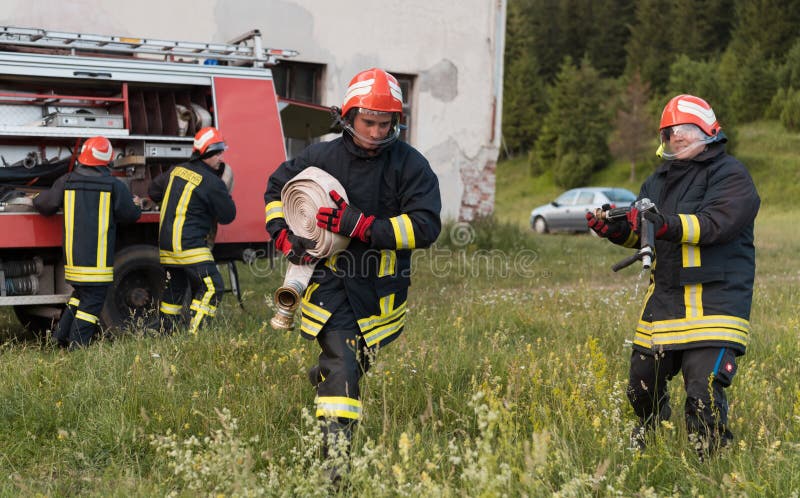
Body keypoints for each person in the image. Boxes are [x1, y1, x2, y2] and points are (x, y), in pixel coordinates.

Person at [264, 68, 442, 470]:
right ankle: (334, 474)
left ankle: (325, 374)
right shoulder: (320, 156)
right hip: (329, 285)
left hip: (380, 291)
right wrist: (281, 233)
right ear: (347, 116)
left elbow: (426, 227)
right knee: (345, 371)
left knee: (355, 360)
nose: (378, 132)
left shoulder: (411, 166)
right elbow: (276, 188)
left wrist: (360, 225)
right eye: (369, 122)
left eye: (387, 123)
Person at [586, 94, 760, 458]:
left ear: (707, 131)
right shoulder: (655, 182)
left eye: (685, 130)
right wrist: (616, 229)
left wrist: (664, 223)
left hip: (716, 304)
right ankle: (648, 432)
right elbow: (646, 233)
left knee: (703, 392)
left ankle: (710, 462)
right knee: (640, 387)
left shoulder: (731, 175)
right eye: (670, 132)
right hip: (664, 304)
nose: (676, 137)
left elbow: (716, 225)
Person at [33, 136, 142, 348]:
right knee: (92, 302)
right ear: (107, 160)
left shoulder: (67, 180)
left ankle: (60, 338)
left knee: (80, 296)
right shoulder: (113, 185)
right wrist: (135, 204)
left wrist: (35, 198)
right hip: (97, 261)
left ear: (84, 157)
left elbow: (46, 205)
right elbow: (130, 215)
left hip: (74, 260)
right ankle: (77, 345)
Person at [148, 126, 236, 335]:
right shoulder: (213, 183)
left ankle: (164, 330)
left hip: (168, 247)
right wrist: (221, 192)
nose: (221, 157)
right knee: (214, 286)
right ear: (206, 153)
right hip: (189, 246)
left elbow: (153, 191)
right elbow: (228, 216)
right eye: (218, 152)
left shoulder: (176, 170)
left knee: (176, 287)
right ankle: (196, 334)